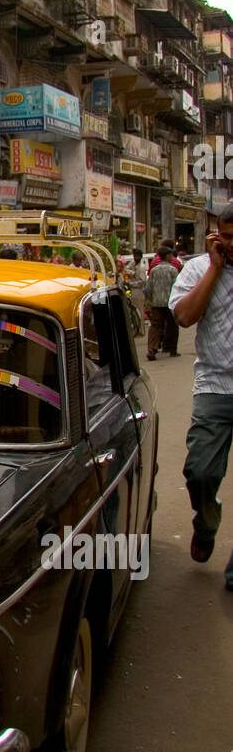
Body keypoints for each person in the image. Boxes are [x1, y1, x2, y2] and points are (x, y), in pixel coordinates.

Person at [169, 208, 233, 576]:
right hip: (214, 386)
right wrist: (215, 269)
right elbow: (184, 317)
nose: (230, 245)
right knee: (201, 472)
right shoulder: (197, 269)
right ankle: (206, 524)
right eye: (225, 237)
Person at [144, 247, 179, 360]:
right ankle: (172, 349)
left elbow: (148, 288)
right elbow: (177, 286)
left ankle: (152, 349)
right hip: (170, 302)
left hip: (157, 303)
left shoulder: (154, 270)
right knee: (173, 325)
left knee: (155, 326)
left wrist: (149, 300)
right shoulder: (173, 270)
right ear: (168, 256)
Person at [121, 248, 147, 335]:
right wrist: (132, 273)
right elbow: (126, 269)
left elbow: (142, 281)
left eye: (137, 256)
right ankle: (136, 329)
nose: (135, 257)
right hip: (132, 291)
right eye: (134, 255)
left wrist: (131, 283)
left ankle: (141, 330)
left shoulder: (141, 267)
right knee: (133, 311)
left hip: (138, 291)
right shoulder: (133, 263)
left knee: (140, 311)